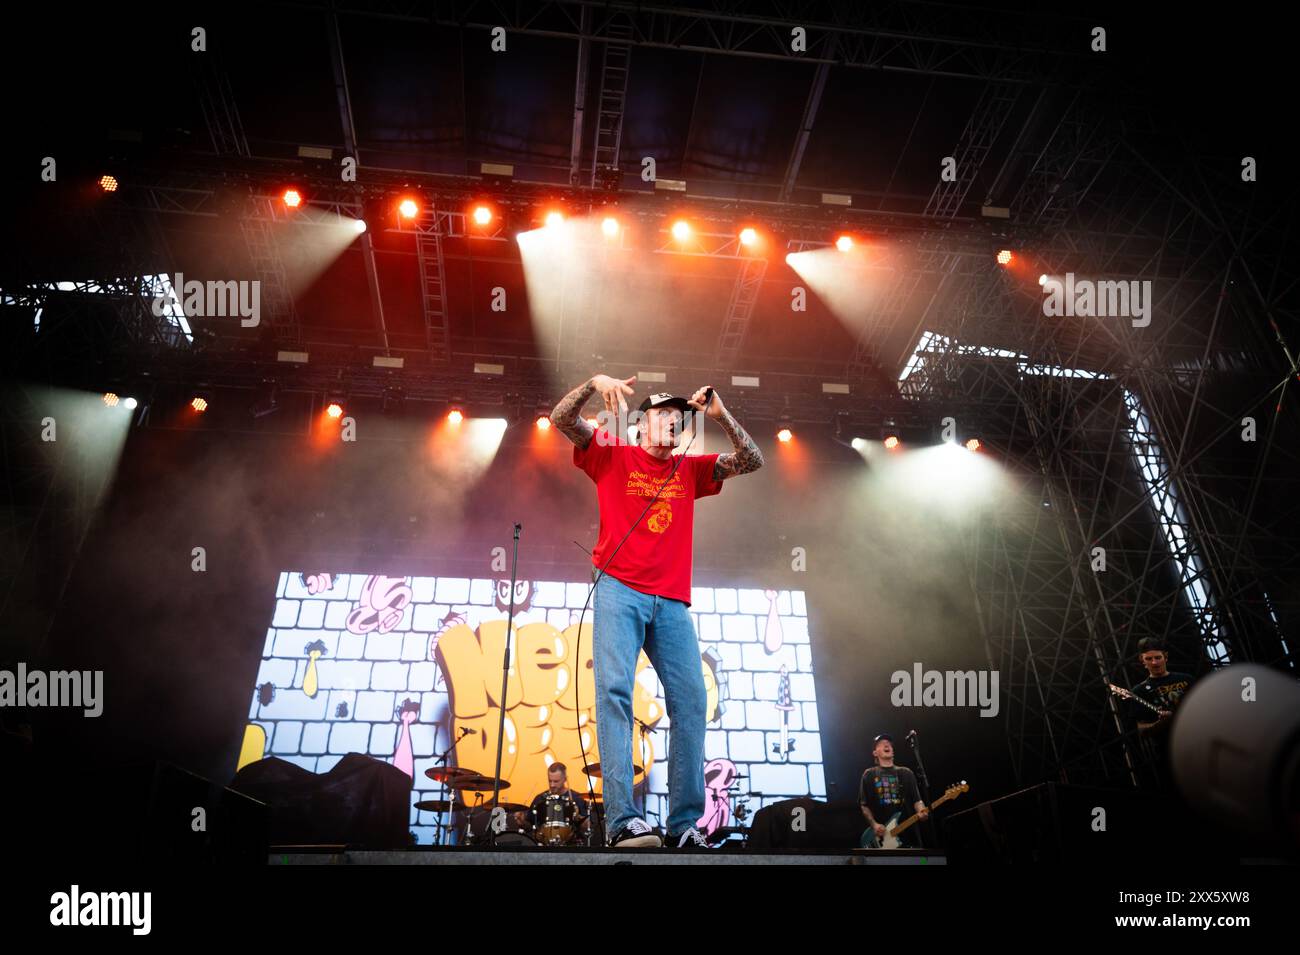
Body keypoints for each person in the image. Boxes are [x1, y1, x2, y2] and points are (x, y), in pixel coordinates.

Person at [549, 375, 763, 848]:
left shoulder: (690, 470)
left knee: (691, 702)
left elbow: (753, 460)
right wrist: (591, 383)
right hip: (617, 588)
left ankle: (685, 825)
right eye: (663, 414)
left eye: (678, 417)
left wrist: (720, 416)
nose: (672, 421)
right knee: (615, 694)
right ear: (642, 424)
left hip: (671, 602)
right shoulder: (611, 452)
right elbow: (560, 419)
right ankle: (623, 820)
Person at [1125, 637, 1194, 787]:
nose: (1154, 662)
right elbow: (1141, 730)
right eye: (1149, 659)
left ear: (1165, 657)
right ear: (1142, 660)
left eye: (1158, 657)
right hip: (1170, 754)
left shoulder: (1187, 680)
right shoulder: (1139, 691)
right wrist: (1159, 723)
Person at [858, 734, 928, 848]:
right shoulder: (869, 774)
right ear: (875, 753)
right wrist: (874, 825)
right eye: (881, 744)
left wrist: (922, 811)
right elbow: (864, 805)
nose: (887, 745)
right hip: (882, 836)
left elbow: (917, 800)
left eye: (889, 744)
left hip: (907, 836)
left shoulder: (906, 773)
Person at [514, 763, 590, 841]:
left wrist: (578, 817)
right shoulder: (540, 798)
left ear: (565, 779)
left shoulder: (576, 798)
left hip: (571, 846)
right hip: (544, 845)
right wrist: (522, 822)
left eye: (556, 781)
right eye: (550, 781)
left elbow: (588, 827)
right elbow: (530, 826)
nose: (552, 785)